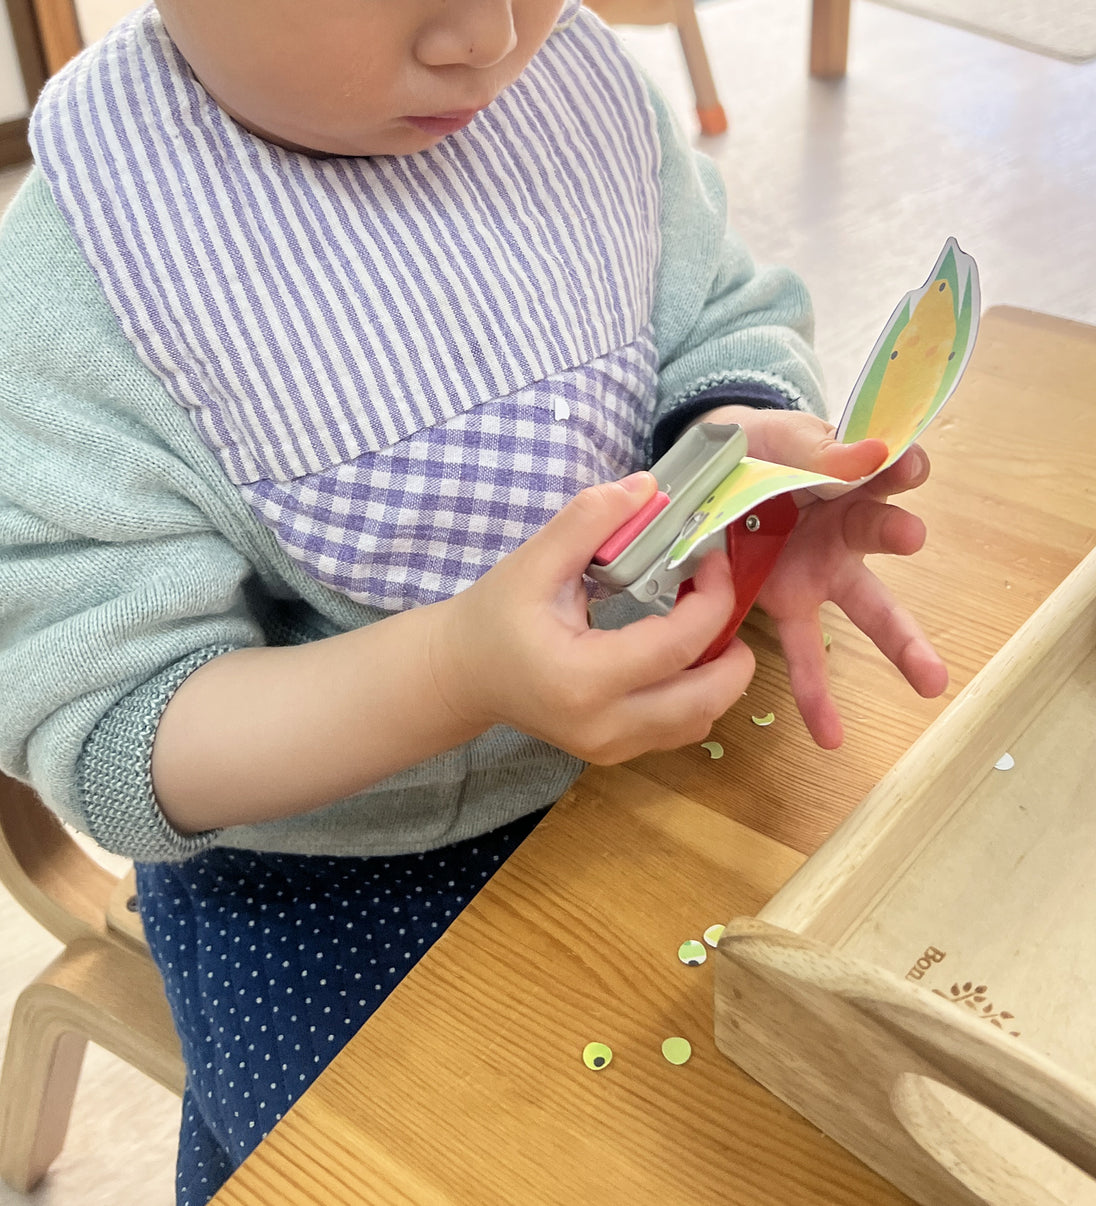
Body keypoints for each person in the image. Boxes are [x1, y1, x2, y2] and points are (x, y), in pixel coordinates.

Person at [0, 0, 948, 1199]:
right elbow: (112, 731)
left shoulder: (569, 92)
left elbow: (720, 316)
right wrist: (452, 672)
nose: (489, 38)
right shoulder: (86, 276)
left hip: (655, 766)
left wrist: (741, 467)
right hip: (325, 874)